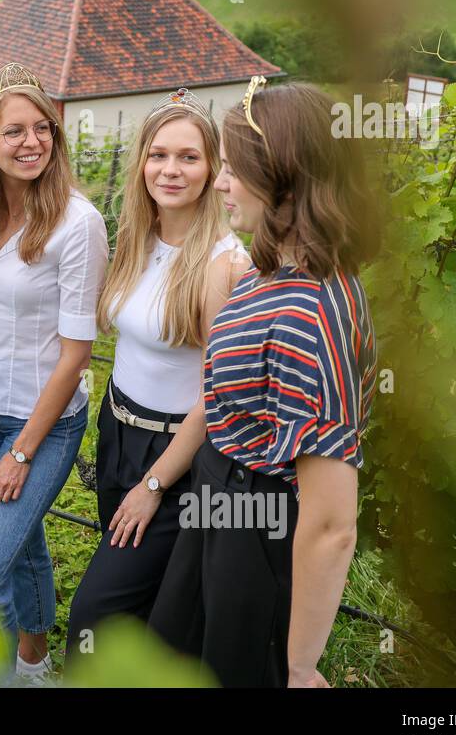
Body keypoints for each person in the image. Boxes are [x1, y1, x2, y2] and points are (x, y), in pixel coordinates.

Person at [148, 78, 380, 687]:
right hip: (221, 500)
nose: (219, 183)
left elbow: (332, 525)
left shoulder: (311, 310)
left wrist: (299, 666)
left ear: (283, 173)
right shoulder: (274, 267)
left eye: (233, 169)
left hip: (258, 524)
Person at [65, 88, 249, 670]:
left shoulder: (225, 263)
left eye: (189, 157)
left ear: (213, 168)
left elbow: (216, 395)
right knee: (145, 609)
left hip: (177, 457)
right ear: (142, 160)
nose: (171, 170)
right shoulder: (137, 238)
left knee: (95, 613)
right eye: (159, 154)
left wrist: (154, 485)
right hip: (119, 431)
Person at [0, 62, 109, 682]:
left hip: (43, 425)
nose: (31, 142)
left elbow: (75, 356)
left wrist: (22, 450)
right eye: (13, 131)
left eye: (42, 128)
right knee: (24, 547)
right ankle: (35, 664)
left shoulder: (78, 223)